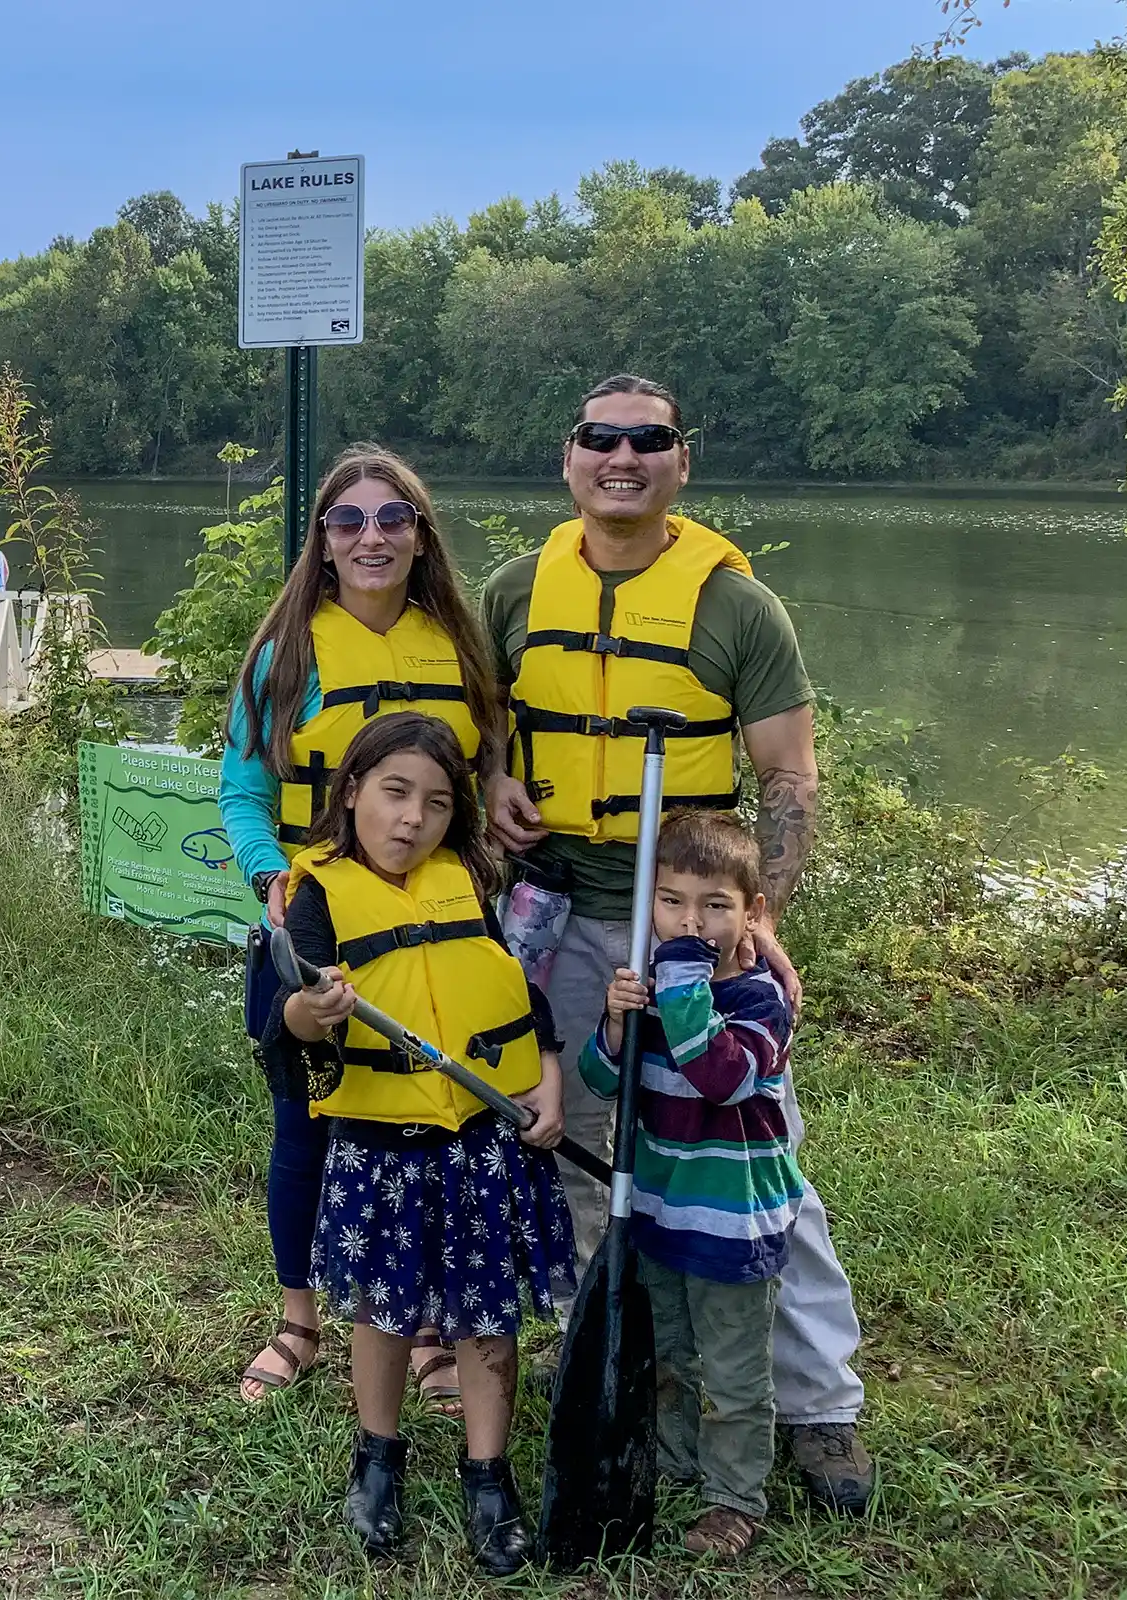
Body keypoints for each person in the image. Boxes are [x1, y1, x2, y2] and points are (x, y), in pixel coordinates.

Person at [482, 373, 875, 1514]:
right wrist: (497, 774)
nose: (621, 457)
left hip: (690, 924)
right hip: (562, 916)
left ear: (679, 462)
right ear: (567, 459)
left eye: (645, 441)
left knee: (756, 1155)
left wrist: (754, 923)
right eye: (600, 439)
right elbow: (487, 726)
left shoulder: (735, 607)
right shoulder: (515, 590)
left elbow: (787, 776)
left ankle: (816, 1401)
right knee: (584, 1155)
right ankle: (627, 1372)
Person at [219, 445, 506, 1415]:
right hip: (314, 920)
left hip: (434, 930)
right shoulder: (287, 654)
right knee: (306, 1127)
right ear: (324, 544)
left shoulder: (458, 649)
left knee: (428, 1123)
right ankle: (299, 1318)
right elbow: (242, 790)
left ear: (420, 535)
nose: (371, 535)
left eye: (392, 518)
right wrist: (271, 876)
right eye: (348, 521)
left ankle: (422, 1324)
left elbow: (486, 772)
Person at [264, 713, 573, 1574]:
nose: (412, 820)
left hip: (482, 1138)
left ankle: (488, 1475)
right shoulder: (315, 893)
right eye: (395, 793)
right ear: (353, 789)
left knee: (488, 1314)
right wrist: (308, 1011)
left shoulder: (467, 878)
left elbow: (514, 986)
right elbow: (285, 1028)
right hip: (380, 1144)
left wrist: (546, 1077)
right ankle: (378, 1457)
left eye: (437, 804)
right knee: (384, 1312)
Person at [578, 810, 805, 1558]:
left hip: (734, 1221)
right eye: (671, 901)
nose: (690, 921)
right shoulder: (651, 990)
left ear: (752, 914)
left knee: (735, 1371)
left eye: (715, 905)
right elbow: (601, 1080)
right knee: (669, 1351)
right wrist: (616, 1025)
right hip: (659, 1211)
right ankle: (676, 1460)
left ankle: (735, 1496)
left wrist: (676, 984)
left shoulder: (760, 1001)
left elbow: (718, 1078)